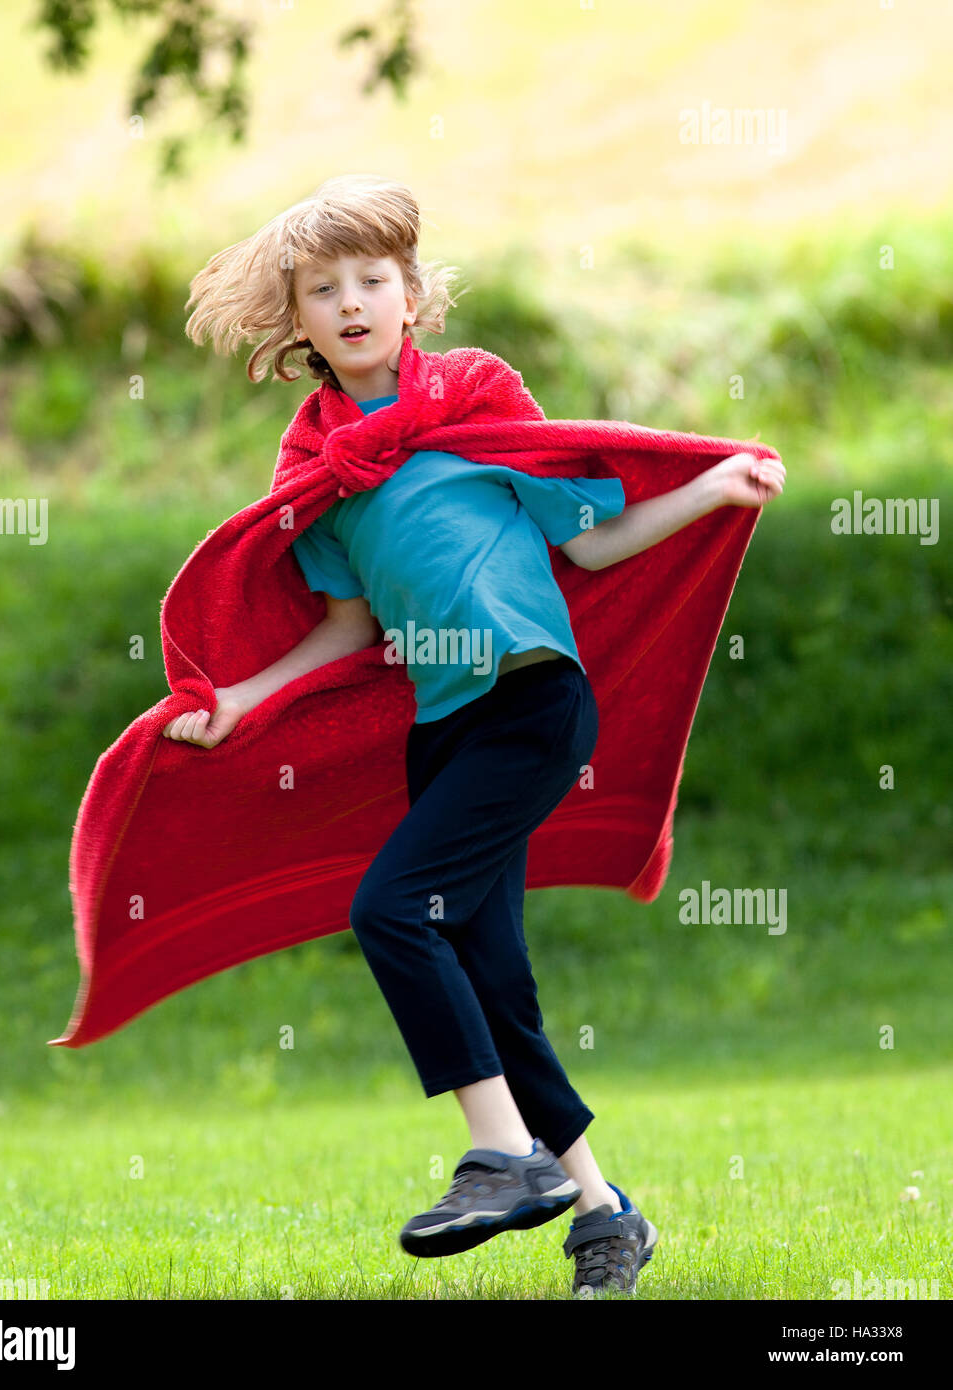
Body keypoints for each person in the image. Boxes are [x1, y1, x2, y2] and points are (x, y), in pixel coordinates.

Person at [169, 175, 785, 1296]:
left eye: (373, 280)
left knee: (390, 910)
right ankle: (604, 1213)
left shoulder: (479, 413)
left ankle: (503, 1154)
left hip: (536, 706)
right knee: (493, 972)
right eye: (324, 288)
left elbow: (592, 548)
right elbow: (346, 633)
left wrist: (716, 490)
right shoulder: (320, 480)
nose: (352, 302)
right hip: (444, 732)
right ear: (298, 321)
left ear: (412, 296)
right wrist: (241, 702)